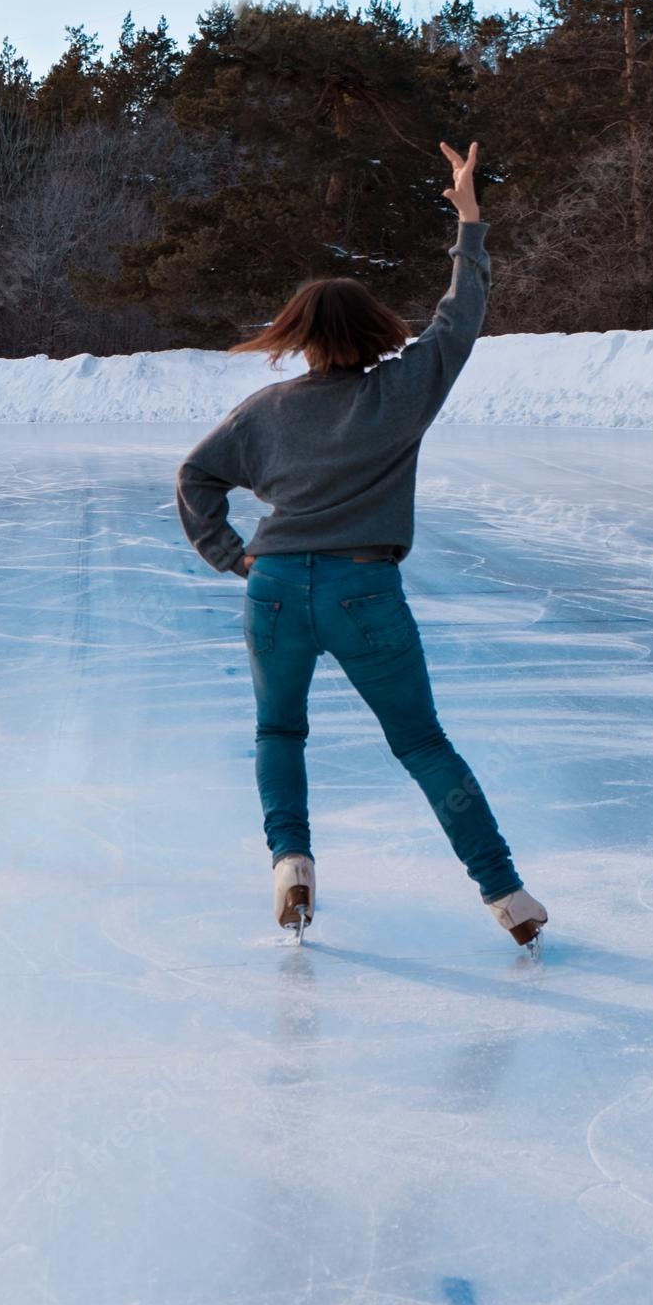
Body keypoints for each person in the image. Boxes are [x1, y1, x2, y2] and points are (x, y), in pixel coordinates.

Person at [175, 141, 547, 949]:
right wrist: (468, 219)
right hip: (362, 590)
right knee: (420, 742)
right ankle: (505, 894)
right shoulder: (401, 392)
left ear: (299, 334)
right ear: (374, 332)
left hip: (272, 587)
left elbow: (195, 476)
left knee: (279, 733)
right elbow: (460, 316)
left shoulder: (264, 411)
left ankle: (291, 865)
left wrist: (230, 554)